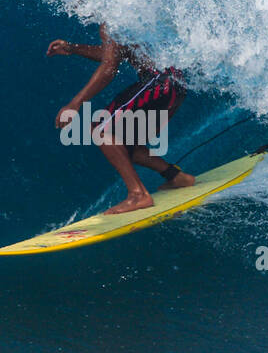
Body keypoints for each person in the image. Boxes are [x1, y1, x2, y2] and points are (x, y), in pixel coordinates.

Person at [48, 24, 194, 214]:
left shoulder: (109, 20)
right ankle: (176, 176)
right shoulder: (125, 10)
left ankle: (138, 194)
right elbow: (113, 53)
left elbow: (110, 66)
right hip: (174, 84)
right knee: (123, 145)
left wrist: (75, 104)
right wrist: (73, 48)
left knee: (100, 130)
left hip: (157, 82)